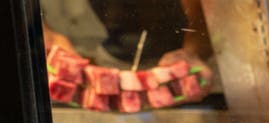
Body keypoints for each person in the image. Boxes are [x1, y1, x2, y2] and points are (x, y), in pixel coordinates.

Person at [41, 0, 213, 93]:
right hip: (107, 55)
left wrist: (193, 49)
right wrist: (46, 36)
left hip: (182, 56)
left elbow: (211, 13)